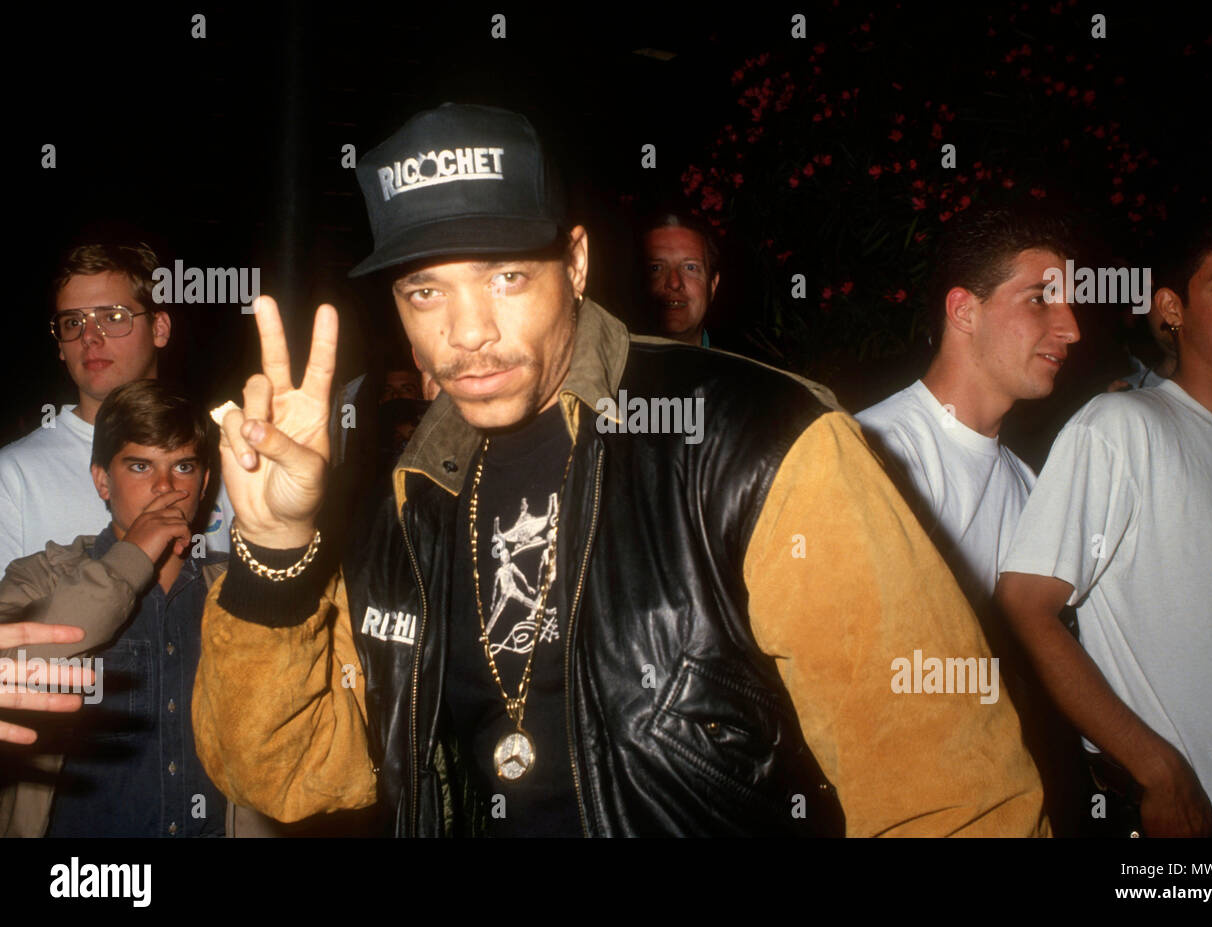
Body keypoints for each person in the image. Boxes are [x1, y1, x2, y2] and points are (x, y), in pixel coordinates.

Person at [194, 103, 1046, 837]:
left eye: (505, 276)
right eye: (426, 291)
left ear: (575, 263)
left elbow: (952, 797)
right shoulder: (409, 502)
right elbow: (289, 772)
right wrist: (272, 548)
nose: (467, 330)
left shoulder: (751, 439)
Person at [996, 209, 1212, 837]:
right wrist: (1155, 769)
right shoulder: (1123, 429)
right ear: (1172, 309)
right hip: (1183, 820)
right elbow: (1025, 606)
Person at [0, 380, 229, 837]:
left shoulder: (233, 589)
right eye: (141, 466)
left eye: (183, 466)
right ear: (103, 480)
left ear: (204, 483)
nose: (166, 487)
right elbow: (17, 668)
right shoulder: (38, 577)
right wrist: (132, 559)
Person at [855, 207, 1080, 609]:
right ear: (963, 311)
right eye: (1040, 300)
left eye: (1070, 304)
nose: (1072, 329)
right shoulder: (882, 451)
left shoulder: (1027, 483)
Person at [0, 243, 232, 577]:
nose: (89, 337)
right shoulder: (16, 476)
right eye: (72, 322)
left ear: (159, 328)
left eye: (113, 317)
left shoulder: (225, 456)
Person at [640, 211, 721, 347]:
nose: (674, 283)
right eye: (656, 268)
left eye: (690, 267)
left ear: (712, 286)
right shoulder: (603, 365)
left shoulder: (742, 366)